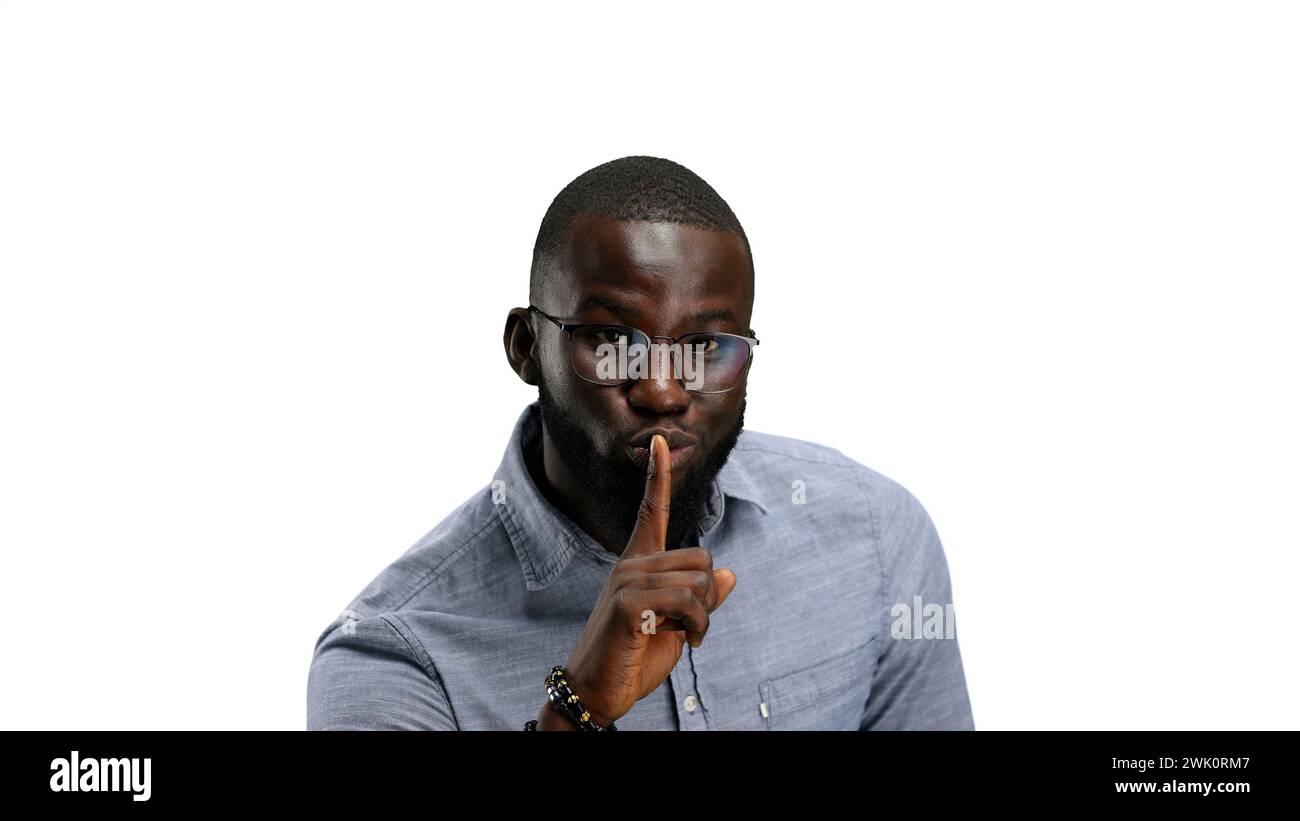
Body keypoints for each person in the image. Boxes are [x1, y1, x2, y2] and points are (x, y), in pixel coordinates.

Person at [306, 155, 975, 730]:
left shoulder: (876, 536)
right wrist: (577, 708)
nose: (662, 390)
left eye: (704, 347)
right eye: (614, 342)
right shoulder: (393, 654)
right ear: (525, 348)